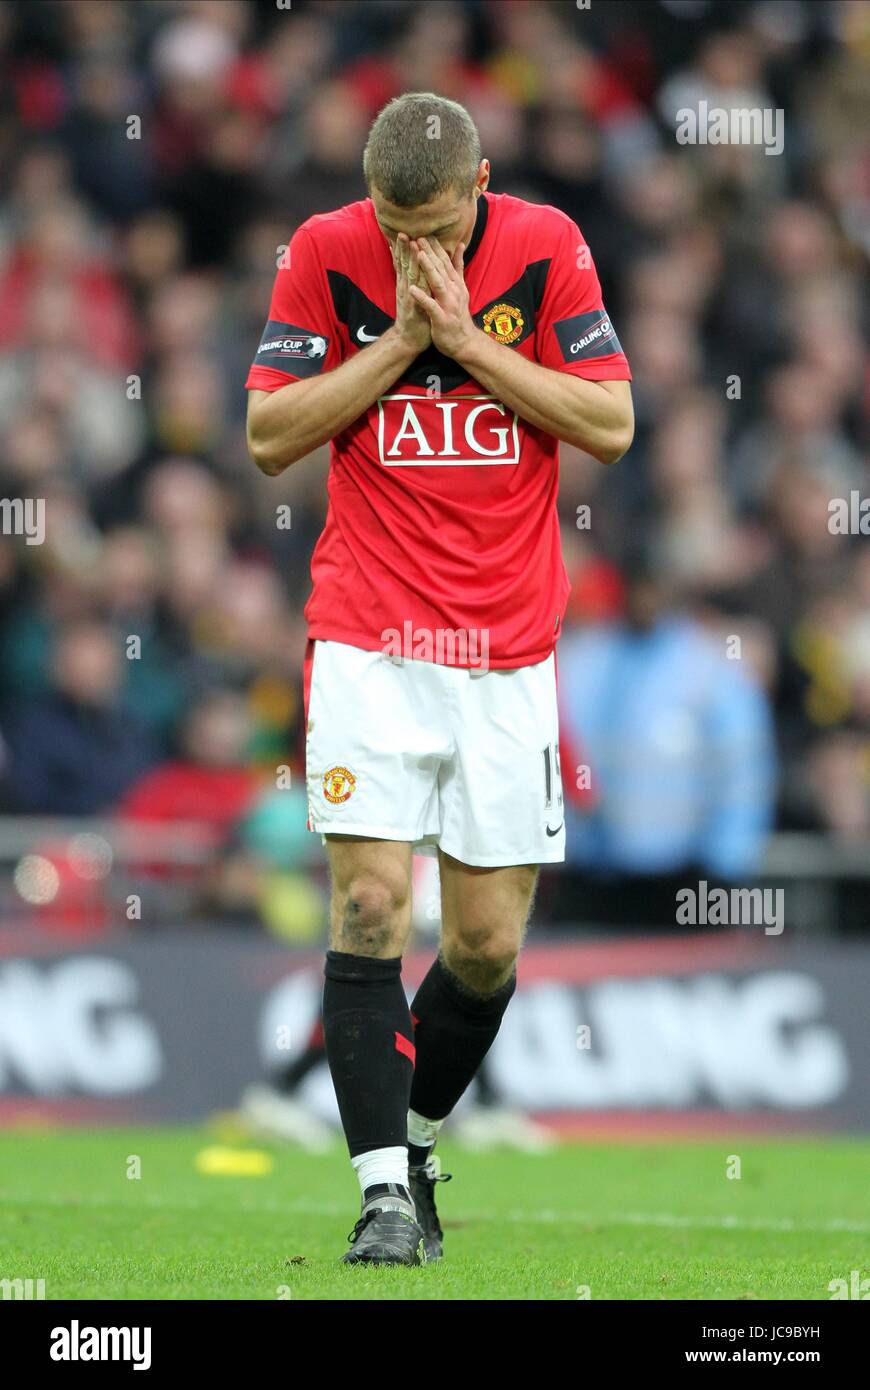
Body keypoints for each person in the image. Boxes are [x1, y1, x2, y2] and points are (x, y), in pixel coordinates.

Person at [245, 92, 633, 1265]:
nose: (413, 248)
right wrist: (405, 341)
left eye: (435, 226)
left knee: (482, 946)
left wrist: (465, 342)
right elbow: (270, 437)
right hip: (368, 632)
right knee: (368, 903)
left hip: (507, 650)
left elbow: (609, 424)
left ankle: (409, 1143)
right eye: (390, 221)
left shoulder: (549, 245)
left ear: (481, 187)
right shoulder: (322, 252)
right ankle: (378, 1199)